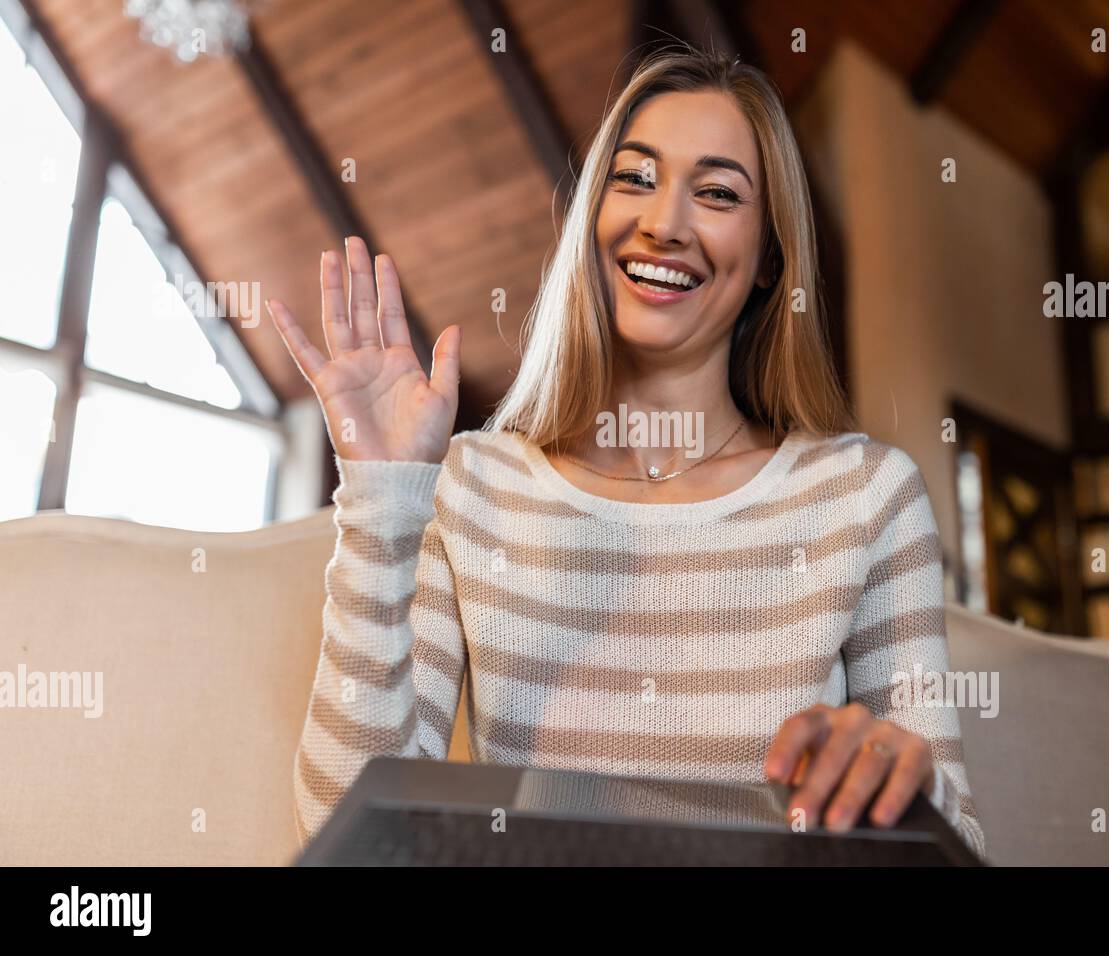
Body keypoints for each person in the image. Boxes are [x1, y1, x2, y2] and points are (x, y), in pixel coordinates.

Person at [269, 48, 985, 859]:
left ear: (770, 262)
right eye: (635, 179)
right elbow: (347, 837)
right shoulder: (472, 486)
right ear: (590, 221)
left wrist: (898, 786)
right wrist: (383, 500)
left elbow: (956, 842)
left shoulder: (867, 496)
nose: (664, 223)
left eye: (717, 193)